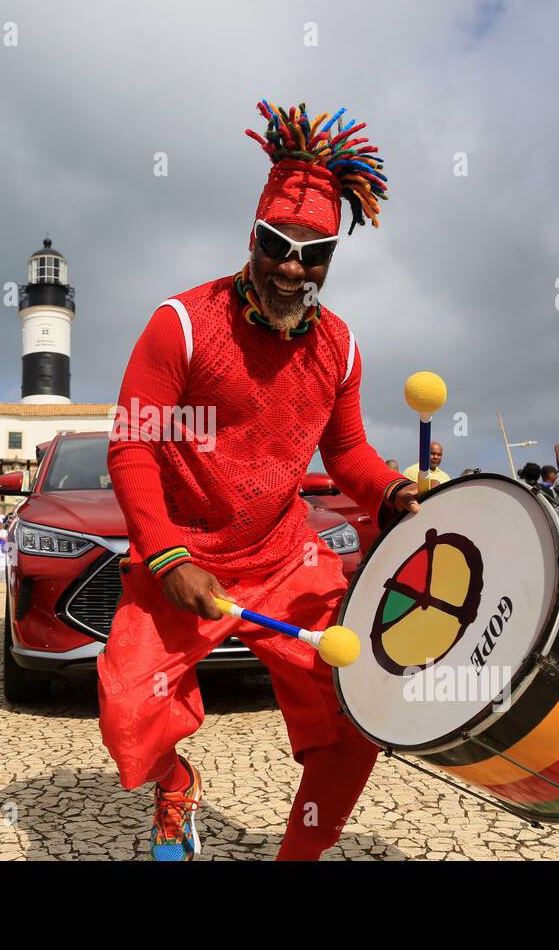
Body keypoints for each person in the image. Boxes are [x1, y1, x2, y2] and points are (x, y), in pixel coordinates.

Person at [101, 99, 420, 862]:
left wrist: (393, 494)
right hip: (181, 554)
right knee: (126, 717)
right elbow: (131, 449)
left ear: (332, 258)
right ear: (252, 237)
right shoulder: (179, 323)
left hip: (283, 558)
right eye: (277, 245)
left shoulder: (339, 347)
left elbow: (347, 457)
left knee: (355, 709)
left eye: (314, 254)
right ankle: (174, 786)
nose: (291, 268)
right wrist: (170, 557)